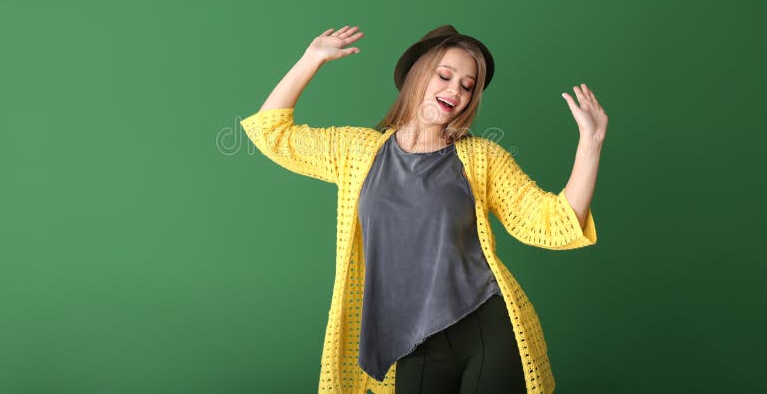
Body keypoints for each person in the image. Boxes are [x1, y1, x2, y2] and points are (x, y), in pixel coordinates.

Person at [240, 24, 607, 394]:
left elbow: (554, 222)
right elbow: (272, 134)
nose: (455, 90)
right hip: (409, 342)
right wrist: (312, 58)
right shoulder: (356, 151)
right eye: (445, 76)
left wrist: (590, 144)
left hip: (484, 327)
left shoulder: (482, 158)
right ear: (416, 76)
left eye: (467, 85)